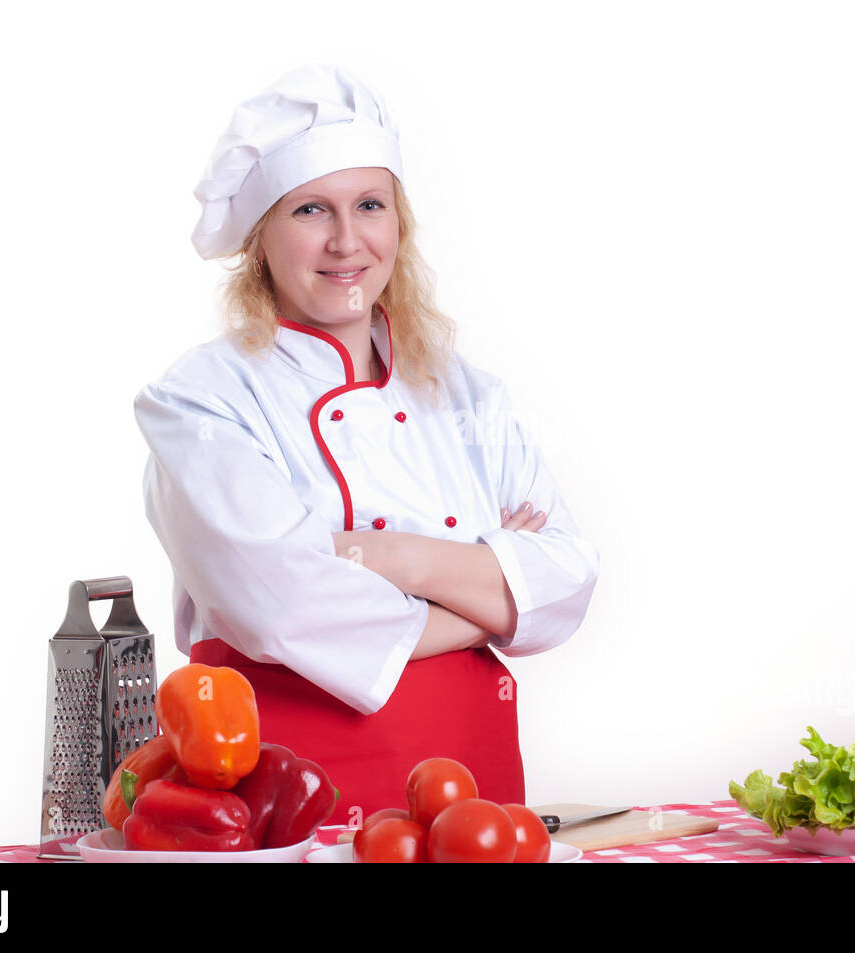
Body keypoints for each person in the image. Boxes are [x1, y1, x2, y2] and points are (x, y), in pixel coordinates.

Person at [133, 64, 600, 827]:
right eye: (311, 209)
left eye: (370, 205)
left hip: (478, 801)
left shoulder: (464, 393)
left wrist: (391, 558)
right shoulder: (203, 401)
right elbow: (284, 605)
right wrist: (490, 593)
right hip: (294, 805)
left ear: (399, 226)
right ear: (261, 238)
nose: (346, 240)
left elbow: (568, 576)